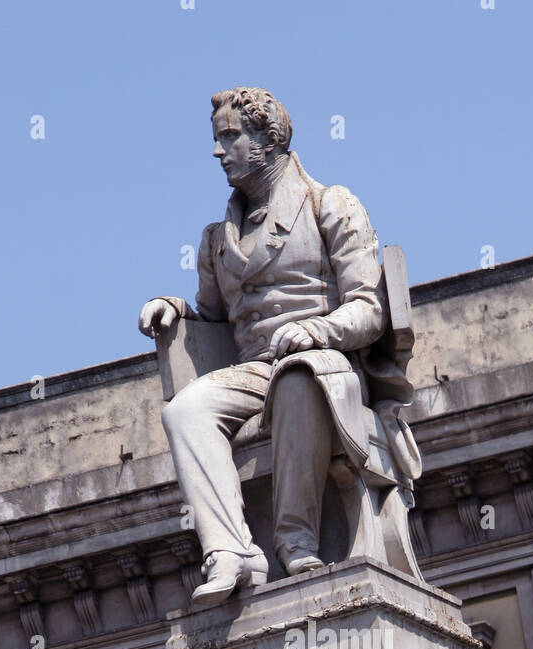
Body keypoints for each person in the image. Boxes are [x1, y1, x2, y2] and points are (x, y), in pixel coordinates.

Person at [138, 86, 417, 607]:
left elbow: (368, 307)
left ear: (268, 139)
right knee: (184, 410)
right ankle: (232, 552)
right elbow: (215, 321)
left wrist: (319, 331)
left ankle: (296, 539)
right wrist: (176, 310)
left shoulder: (329, 203)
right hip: (253, 370)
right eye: (217, 139)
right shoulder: (215, 240)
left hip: (329, 364)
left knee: (298, 376)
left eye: (229, 138)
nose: (217, 152)